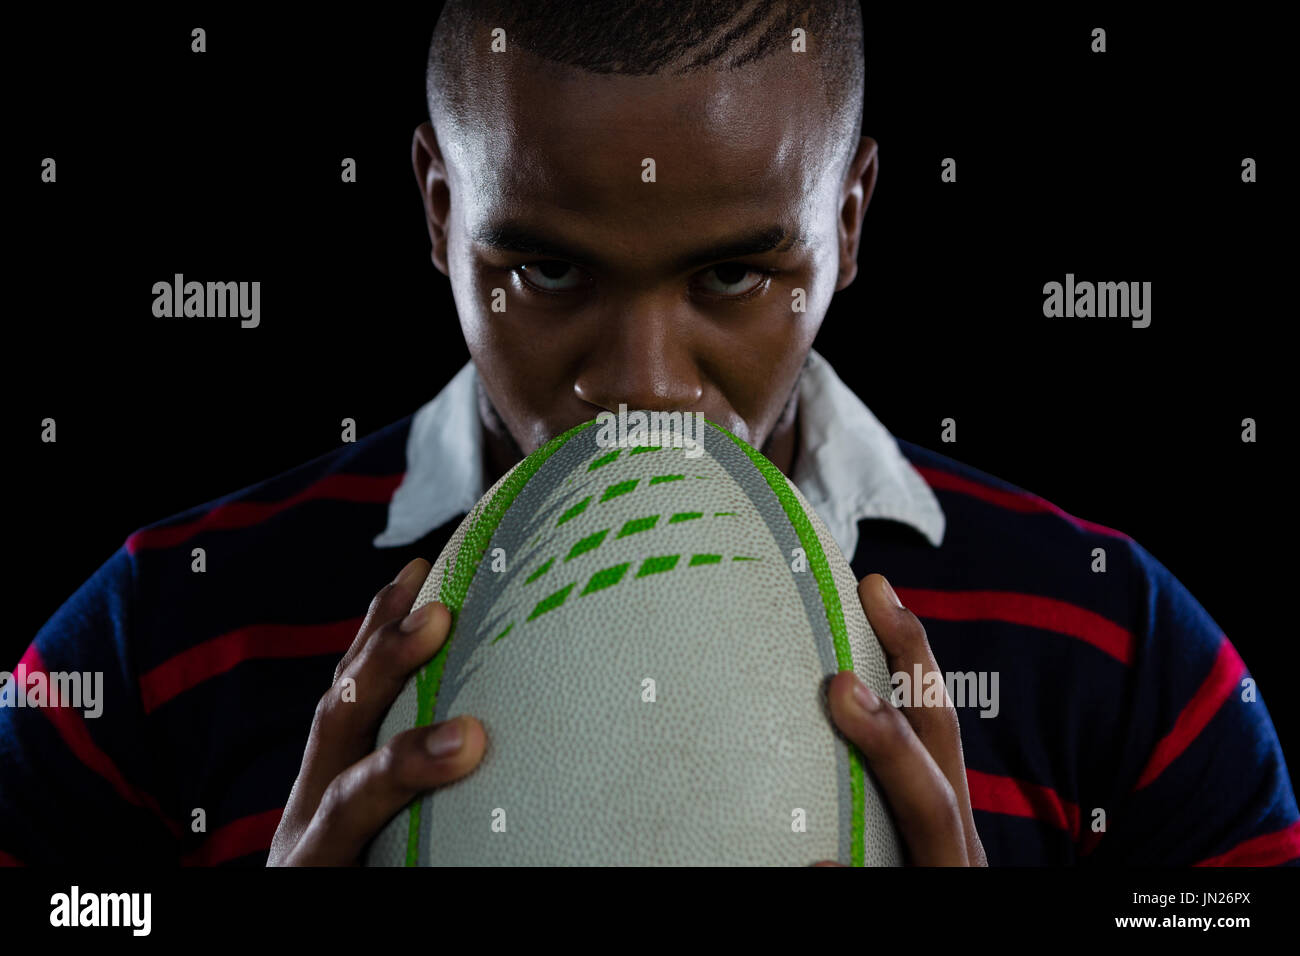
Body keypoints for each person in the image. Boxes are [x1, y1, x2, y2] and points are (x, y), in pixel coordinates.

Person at [2, 0, 1295, 867]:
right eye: (550, 273)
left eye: (734, 275)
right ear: (441, 213)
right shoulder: (146, 651)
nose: (639, 388)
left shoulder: (1130, 671)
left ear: (848, 221)